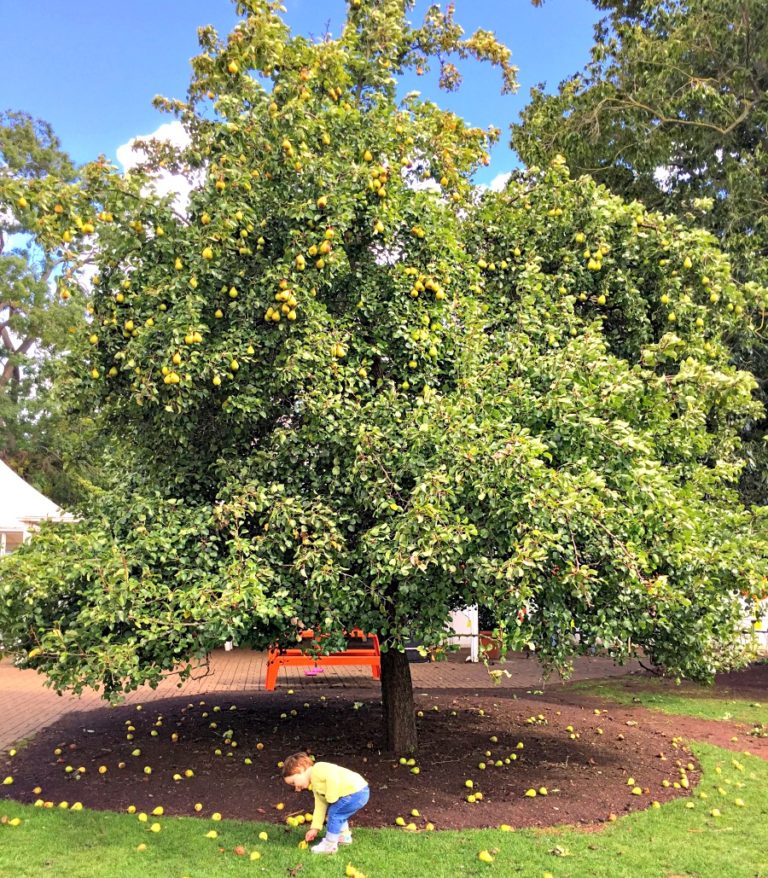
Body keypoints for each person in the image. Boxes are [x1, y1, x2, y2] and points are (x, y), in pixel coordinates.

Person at [281, 751, 370, 854]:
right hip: (358, 792)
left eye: (293, 782)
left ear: (300, 769)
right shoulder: (315, 787)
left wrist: (331, 798)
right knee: (339, 812)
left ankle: (329, 845)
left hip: (357, 791)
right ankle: (344, 837)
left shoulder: (318, 769)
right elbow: (320, 807)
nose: (296, 788)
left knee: (335, 813)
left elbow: (332, 776)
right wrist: (315, 829)